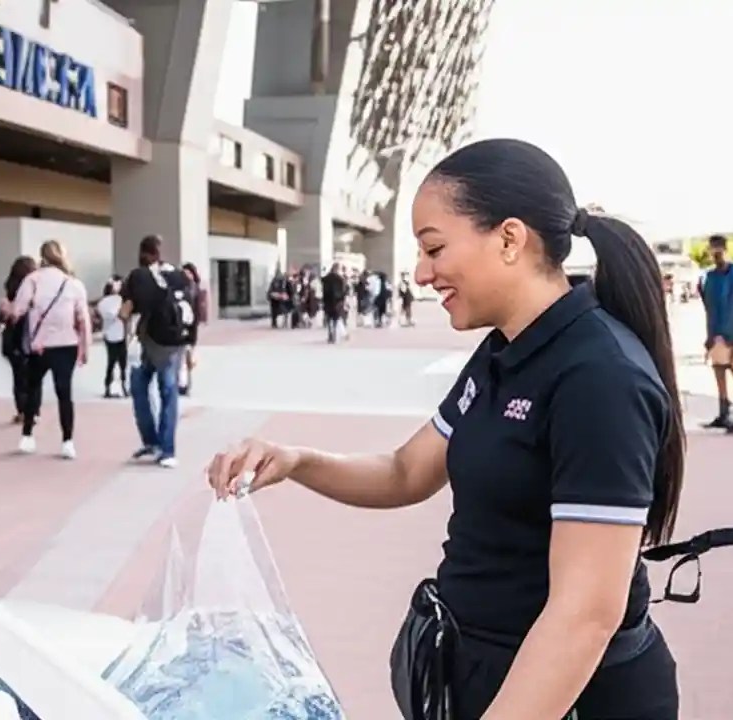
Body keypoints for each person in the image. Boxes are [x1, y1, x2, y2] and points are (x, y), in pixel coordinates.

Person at [208, 139, 685, 720]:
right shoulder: (502, 350)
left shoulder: (599, 376)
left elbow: (584, 615)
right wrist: (297, 460)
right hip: (476, 670)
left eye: (434, 248)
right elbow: (406, 471)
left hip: (566, 696)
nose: (420, 273)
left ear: (510, 239)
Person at [5, 241, 90, 459]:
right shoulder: (73, 283)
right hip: (67, 344)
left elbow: (18, 310)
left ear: (41, 257)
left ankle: (27, 436)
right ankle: (67, 442)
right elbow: (83, 320)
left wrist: (10, 311)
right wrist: (85, 348)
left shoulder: (33, 280)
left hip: (39, 346)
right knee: (65, 393)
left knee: (33, 388)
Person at [119, 234, 191, 469]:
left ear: (143, 253)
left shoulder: (138, 276)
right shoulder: (177, 275)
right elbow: (189, 309)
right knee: (169, 394)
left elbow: (125, 311)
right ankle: (166, 449)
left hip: (148, 344)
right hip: (174, 343)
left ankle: (154, 442)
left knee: (139, 389)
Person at [700, 234, 733, 433]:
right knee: (719, 371)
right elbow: (710, 308)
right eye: (712, 251)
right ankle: (724, 412)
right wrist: (710, 336)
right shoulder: (710, 277)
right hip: (717, 333)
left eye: (718, 250)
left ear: (725, 249)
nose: (715, 255)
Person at [0, 256, 38, 424]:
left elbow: (2, 318)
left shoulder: (9, 294)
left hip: (14, 339)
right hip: (33, 337)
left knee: (19, 377)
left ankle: (22, 411)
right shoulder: (36, 291)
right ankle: (34, 411)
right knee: (35, 377)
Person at [179, 262, 207, 396]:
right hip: (180, 326)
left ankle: (186, 384)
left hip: (191, 327)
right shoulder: (179, 289)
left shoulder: (195, 289)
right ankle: (183, 384)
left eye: (189, 273)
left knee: (188, 357)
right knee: (182, 358)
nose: (187, 276)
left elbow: (199, 310)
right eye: (184, 273)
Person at [96, 277, 128, 398]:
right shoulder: (107, 302)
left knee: (121, 362)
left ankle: (122, 385)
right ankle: (110, 386)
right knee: (113, 361)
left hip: (118, 333)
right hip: (111, 333)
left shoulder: (119, 300)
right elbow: (113, 314)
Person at [320, 263, 348, 344]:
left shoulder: (326, 278)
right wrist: (343, 300)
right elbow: (343, 291)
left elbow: (323, 289)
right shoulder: (340, 279)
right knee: (336, 318)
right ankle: (334, 334)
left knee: (329, 318)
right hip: (337, 301)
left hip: (327, 300)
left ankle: (330, 334)